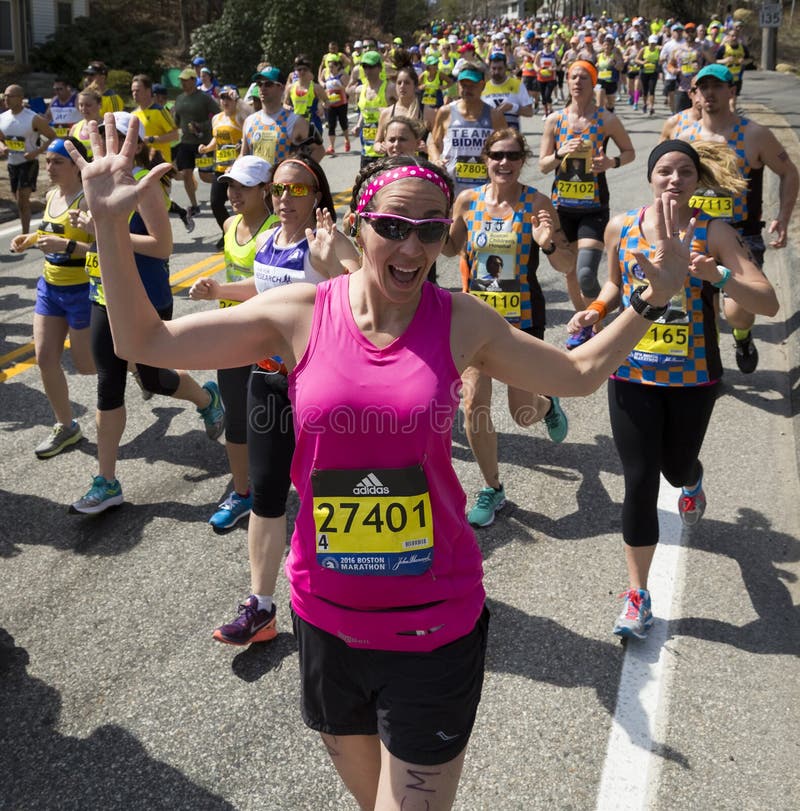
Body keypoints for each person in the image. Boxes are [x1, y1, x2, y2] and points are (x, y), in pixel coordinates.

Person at [73, 112, 698, 809]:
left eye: (432, 229)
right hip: (325, 614)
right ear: (358, 223)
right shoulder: (299, 312)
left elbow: (579, 373)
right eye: (394, 226)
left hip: (434, 620)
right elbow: (143, 339)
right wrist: (105, 223)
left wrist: (650, 297)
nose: (412, 245)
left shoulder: (460, 319)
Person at [566, 140, 779, 640]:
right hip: (631, 371)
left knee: (675, 467)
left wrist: (718, 273)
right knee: (639, 478)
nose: (674, 179)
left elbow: (766, 301)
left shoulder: (715, 231)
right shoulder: (624, 226)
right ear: (651, 177)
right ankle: (637, 595)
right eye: (665, 170)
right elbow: (614, 289)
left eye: (685, 171)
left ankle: (692, 477)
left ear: (697, 179)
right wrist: (594, 313)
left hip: (693, 378)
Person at [68, 112, 225, 515]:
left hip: (147, 297)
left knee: (154, 378)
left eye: (115, 136)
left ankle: (207, 397)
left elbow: (161, 246)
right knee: (109, 380)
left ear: (133, 143)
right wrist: (92, 227)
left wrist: (108, 225)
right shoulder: (95, 183)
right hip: (104, 294)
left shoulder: (145, 185)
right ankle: (107, 480)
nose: (105, 141)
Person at [444, 128, 572, 527]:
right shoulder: (468, 201)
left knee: (522, 415)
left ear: (523, 160)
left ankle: (547, 404)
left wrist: (548, 243)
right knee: (474, 406)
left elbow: (566, 265)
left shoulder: (538, 203)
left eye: (513, 155)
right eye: (497, 155)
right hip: (474, 322)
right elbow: (448, 249)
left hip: (521, 322)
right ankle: (493, 488)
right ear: (485, 158)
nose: (504, 162)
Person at [677, 64, 799, 372]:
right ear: (696, 93)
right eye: (703, 87)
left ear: (732, 91)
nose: (710, 93)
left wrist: (783, 218)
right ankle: (711, 365)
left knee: (736, 310)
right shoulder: (683, 134)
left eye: (717, 86)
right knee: (700, 308)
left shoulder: (755, 134)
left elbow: (789, 172)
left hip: (741, 236)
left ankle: (742, 336)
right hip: (696, 233)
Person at [188, 156, 278, 530]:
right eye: (230, 186)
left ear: (266, 190)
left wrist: (220, 289)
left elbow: (268, 284)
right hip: (232, 336)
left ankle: (303, 485)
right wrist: (217, 293)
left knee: (279, 420)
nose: (234, 194)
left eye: (243, 186)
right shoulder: (228, 225)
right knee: (238, 420)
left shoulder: (276, 231)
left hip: (268, 337)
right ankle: (242, 492)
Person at [10, 138, 95, 458]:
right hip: (50, 288)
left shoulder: (88, 202)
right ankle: (67, 426)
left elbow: (105, 249)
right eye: (47, 162)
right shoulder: (49, 196)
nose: (49, 168)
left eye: (56, 162)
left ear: (76, 165)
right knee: (45, 359)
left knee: (89, 366)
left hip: (82, 291)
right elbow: (52, 233)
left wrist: (68, 247)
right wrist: (30, 239)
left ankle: (137, 367)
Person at [538, 60, 635, 333]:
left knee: (585, 273)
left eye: (583, 77)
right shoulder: (555, 121)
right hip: (562, 207)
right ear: (567, 82)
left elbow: (630, 153)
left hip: (593, 207)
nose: (577, 82)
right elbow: (543, 165)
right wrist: (560, 153)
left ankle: (596, 322)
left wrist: (611, 163)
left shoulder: (606, 120)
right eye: (573, 77)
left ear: (593, 83)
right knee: (570, 271)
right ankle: (584, 325)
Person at [0, 85, 57, 233]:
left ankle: (25, 235)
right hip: (12, 163)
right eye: (4, 96)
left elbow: (52, 137)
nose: (6, 99)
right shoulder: (2, 117)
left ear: (20, 98)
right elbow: (0, 138)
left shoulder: (33, 118)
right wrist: (2, 147)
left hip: (29, 162)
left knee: (23, 201)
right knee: (20, 202)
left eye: (10, 96)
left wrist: (36, 152)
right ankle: (46, 205)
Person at [199, 85, 247, 246]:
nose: (225, 101)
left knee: (240, 204)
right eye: (222, 97)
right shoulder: (217, 118)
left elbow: (252, 116)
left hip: (238, 169)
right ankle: (227, 232)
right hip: (220, 168)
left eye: (228, 97)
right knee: (215, 203)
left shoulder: (241, 117)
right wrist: (207, 147)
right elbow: (216, 140)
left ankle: (244, 232)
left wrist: (239, 100)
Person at [241, 67, 317, 165]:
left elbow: (318, 150)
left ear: (281, 87)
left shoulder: (295, 121)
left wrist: (299, 173)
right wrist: (233, 169)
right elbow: (244, 154)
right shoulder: (249, 121)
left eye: (268, 84)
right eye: (259, 84)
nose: (262, 88)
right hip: (255, 180)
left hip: (282, 179)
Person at [172, 66, 219, 216]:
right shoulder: (179, 99)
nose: (183, 83)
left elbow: (218, 115)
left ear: (194, 80)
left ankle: (225, 185)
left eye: (186, 80)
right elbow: (177, 121)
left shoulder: (204, 98)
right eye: (181, 81)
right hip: (186, 143)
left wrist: (202, 126)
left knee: (205, 176)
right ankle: (194, 205)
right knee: (186, 174)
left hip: (202, 144)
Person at [351, 50, 397, 168]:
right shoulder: (361, 89)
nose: (368, 70)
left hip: (385, 149)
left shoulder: (389, 88)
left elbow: (404, 108)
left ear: (380, 68)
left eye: (371, 67)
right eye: (365, 67)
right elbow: (364, 110)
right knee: (366, 184)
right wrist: (358, 125)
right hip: (366, 148)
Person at [374, 67, 430, 155]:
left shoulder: (425, 111)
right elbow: (376, 143)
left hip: (417, 165)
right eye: (399, 83)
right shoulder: (387, 113)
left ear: (415, 86)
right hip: (394, 166)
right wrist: (380, 147)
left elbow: (437, 144)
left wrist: (427, 148)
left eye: (407, 83)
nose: (402, 86)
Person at [481, 50, 533, 130]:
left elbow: (529, 112)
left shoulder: (517, 84)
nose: (496, 72)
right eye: (493, 68)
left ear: (506, 68)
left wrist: (512, 107)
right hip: (490, 133)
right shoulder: (483, 87)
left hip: (512, 135)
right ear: (489, 68)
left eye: (500, 68)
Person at [320, 57, 351, 155]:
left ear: (337, 66)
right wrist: (323, 101)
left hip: (341, 103)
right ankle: (331, 147)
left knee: (343, 123)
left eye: (332, 67)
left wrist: (339, 86)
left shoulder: (342, 75)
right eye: (329, 67)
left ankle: (347, 140)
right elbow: (323, 86)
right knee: (331, 125)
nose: (330, 69)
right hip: (330, 104)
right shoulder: (326, 74)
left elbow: (348, 88)